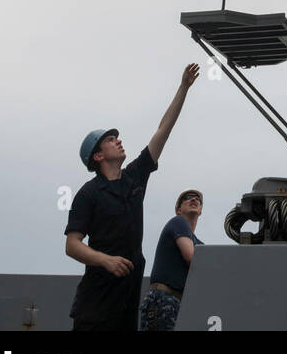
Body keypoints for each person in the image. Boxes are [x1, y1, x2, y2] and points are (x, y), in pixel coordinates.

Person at [64, 63, 200, 332]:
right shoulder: (88, 193)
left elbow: (163, 131)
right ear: (98, 156)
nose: (118, 140)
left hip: (128, 299)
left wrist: (183, 88)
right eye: (110, 139)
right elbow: (72, 245)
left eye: (117, 137)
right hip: (96, 305)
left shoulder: (135, 177)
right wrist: (105, 260)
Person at [139, 189, 204, 332]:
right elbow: (191, 257)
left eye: (197, 199)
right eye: (188, 198)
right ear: (178, 210)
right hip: (163, 300)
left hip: (179, 304)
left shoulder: (198, 244)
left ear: (200, 211)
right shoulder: (178, 222)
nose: (193, 199)